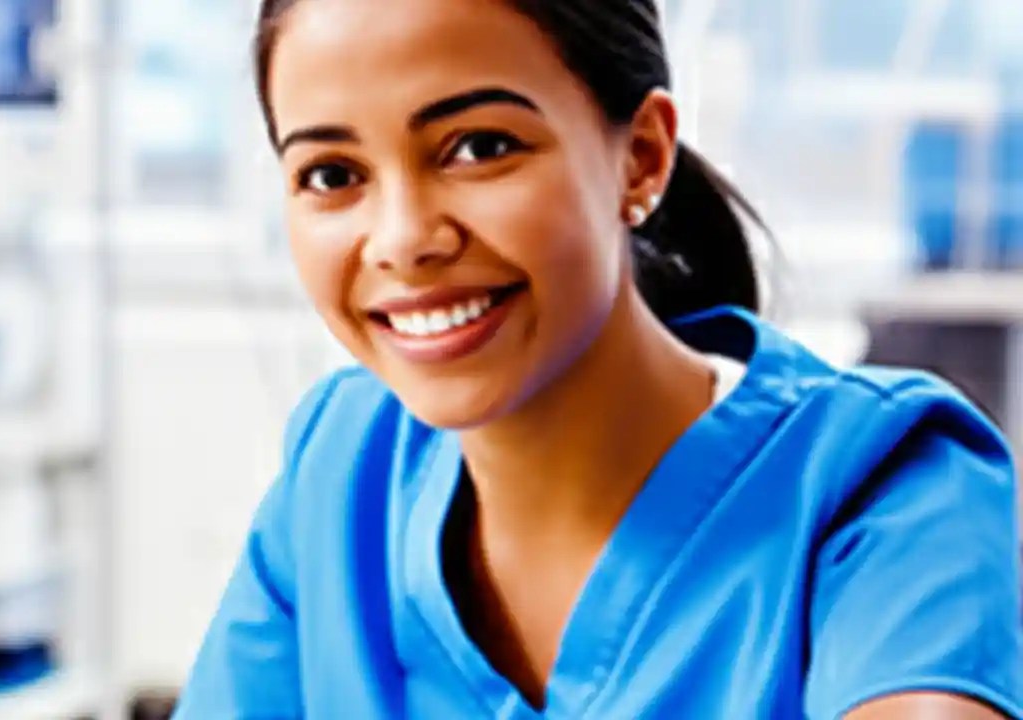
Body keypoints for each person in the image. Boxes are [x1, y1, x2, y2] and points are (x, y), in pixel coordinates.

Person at [175, 0, 1023, 717]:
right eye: (332, 175)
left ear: (642, 157)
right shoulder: (341, 473)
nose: (402, 240)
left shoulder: (883, 486)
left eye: (479, 147)